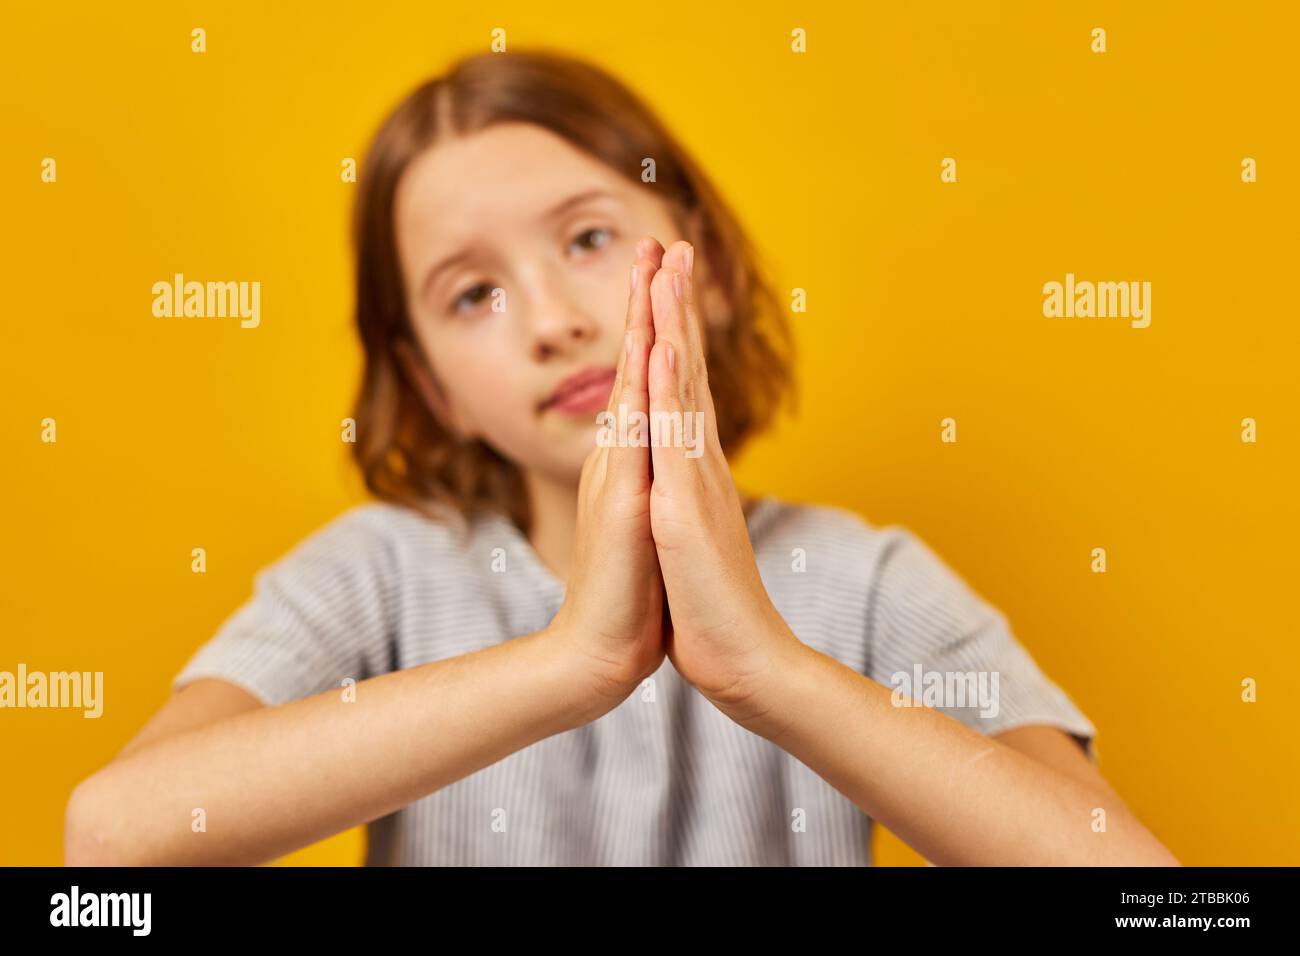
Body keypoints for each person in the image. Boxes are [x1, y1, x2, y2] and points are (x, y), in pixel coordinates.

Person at [64, 50, 1177, 866]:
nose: (548, 319)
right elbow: (110, 840)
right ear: (435, 385)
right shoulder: (380, 573)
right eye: (474, 292)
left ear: (713, 270)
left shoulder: (865, 582)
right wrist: (571, 661)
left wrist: (768, 670)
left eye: (590, 239)